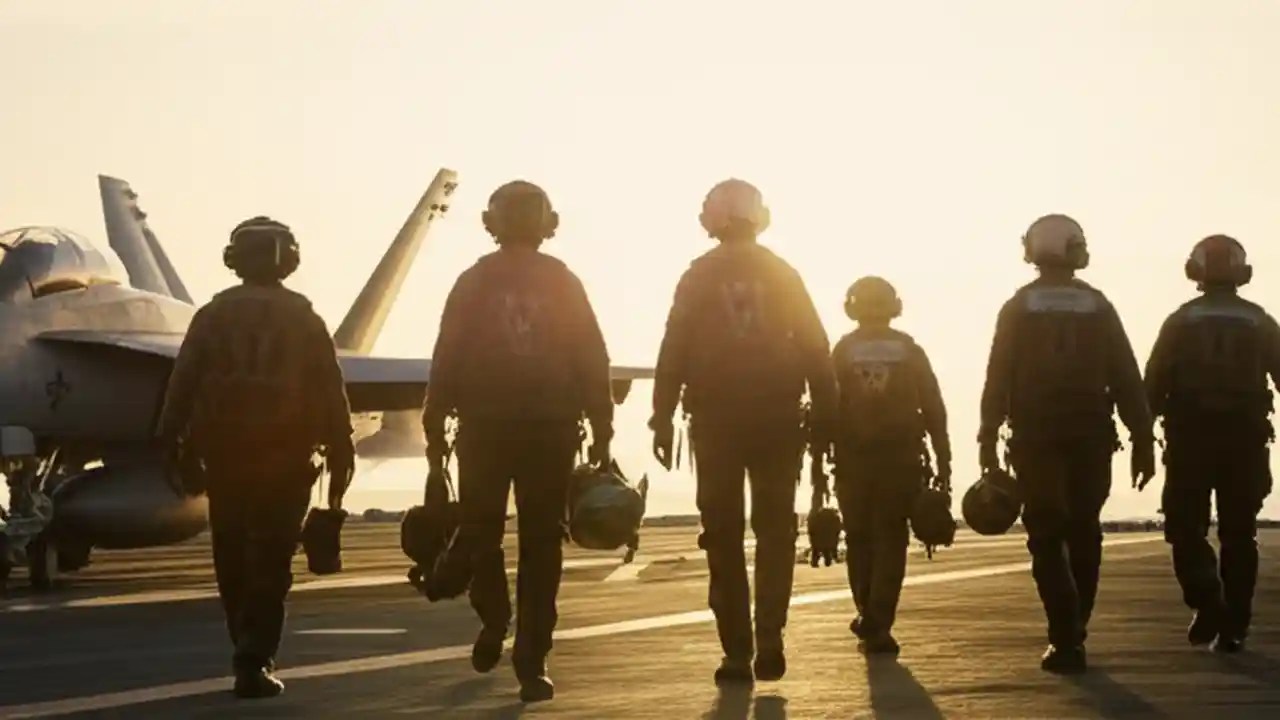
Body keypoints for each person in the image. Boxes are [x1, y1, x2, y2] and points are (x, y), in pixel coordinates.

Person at [421, 180, 613, 703]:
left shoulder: (474, 281)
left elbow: (447, 354)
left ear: (493, 222)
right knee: (541, 545)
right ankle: (533, 660)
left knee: (480, 532)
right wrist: (602, 426)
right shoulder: (562, 282)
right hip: (549, 431)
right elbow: (592, 355)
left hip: (485, 429)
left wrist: (434, 423)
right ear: (548, 223)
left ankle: (492, 620)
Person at [156, 216, 355, 699]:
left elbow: (180, 387)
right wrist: (341, 458)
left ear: (235, 259)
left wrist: (171, 448)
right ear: (287, 259)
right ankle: (253, 657)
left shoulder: (212, 315)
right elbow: (331, 393)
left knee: (232, 557)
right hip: (286, 460)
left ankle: (246, 650)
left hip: (226, 457)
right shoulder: (303, 317)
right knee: (270, 561)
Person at [650, 178, 836, 685]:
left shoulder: (697, 275)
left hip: (716, 421)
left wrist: (661, 415)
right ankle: (771, 634)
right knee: (776, 531)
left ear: (715, 217)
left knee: (723, 536)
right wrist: (827, 414)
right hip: (778, 418)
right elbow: (817, 346)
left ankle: (737, 652)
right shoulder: (783, 273)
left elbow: (674, 347)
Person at [978, 214, 1154, 674]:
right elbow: (1126, 376)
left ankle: (1065, 636)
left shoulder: (1018, 306)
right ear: (1074, 249)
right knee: (1084, 531)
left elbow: (997, 377)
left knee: (1046, 534)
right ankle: (1075, 630)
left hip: (1034, 438)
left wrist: (986, 439)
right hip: (1091, 433)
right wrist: (1142, 439)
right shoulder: (1098, 306)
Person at [1143, 234, 1279, 653]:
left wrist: (1140, 439)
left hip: (1189, 442)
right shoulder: (1259, 321)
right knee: (1240, 534)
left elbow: (1150, 386)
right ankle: (1234, 624)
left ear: (1195, 271)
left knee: (1185, 529)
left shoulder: (1180, 321)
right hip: (1245, 441)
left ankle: (1207, 598)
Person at [827, 276, 950, 655]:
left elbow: (826, 407)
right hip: (900, 459)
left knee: (859, 538)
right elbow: (932, 405)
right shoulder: (909, 350)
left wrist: (816, 461)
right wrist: (944, 460)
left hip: (852, 460)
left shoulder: (843, 351)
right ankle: (878, 621)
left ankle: (868, 612)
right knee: (891, 539)